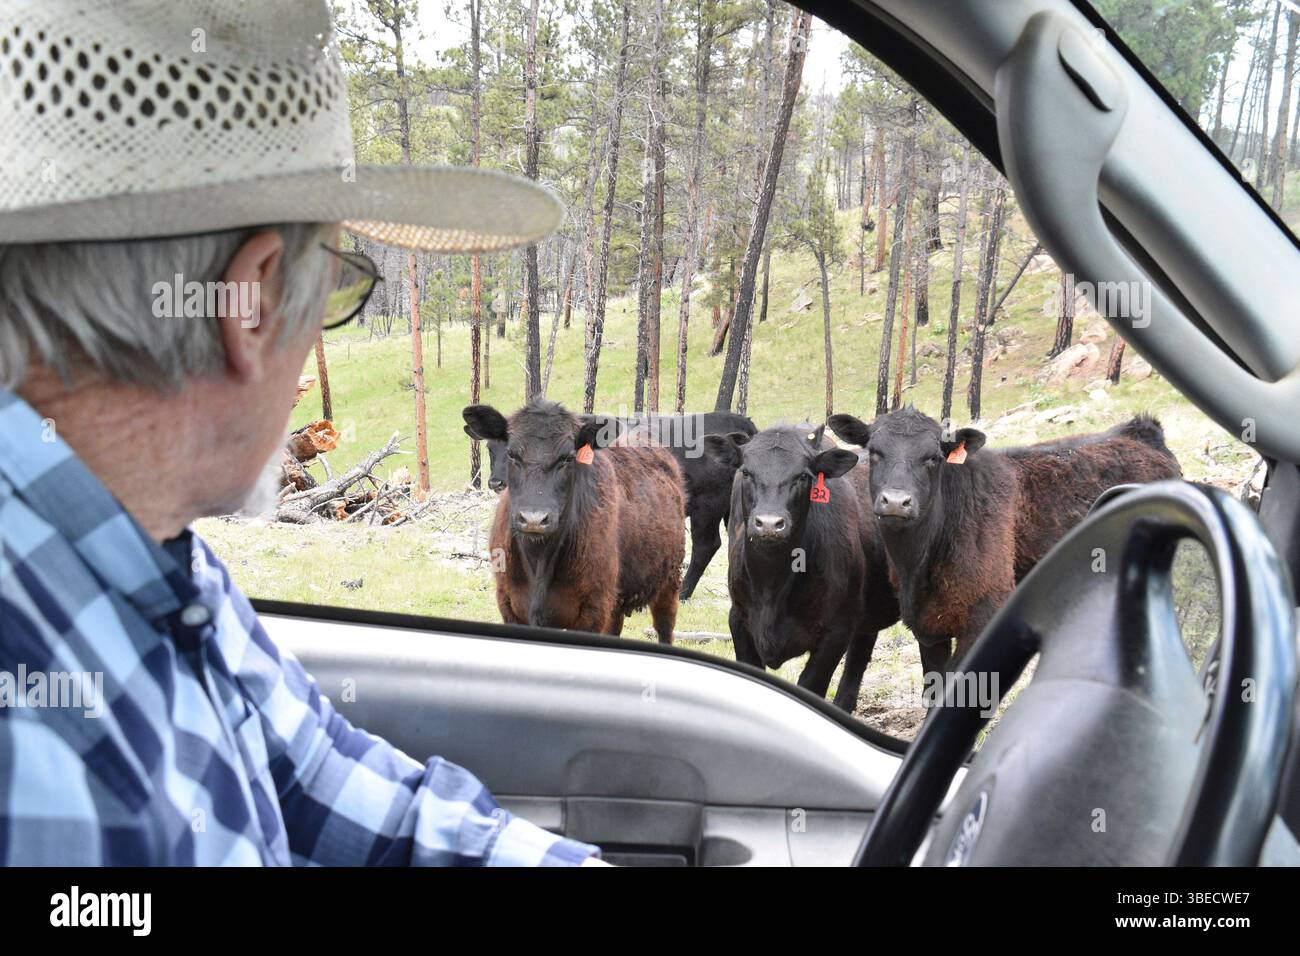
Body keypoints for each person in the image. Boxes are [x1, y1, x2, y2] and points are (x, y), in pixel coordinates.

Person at [0, 0, 603, 866]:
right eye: (340, 285)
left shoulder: (153, 555)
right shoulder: (40, 764)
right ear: (250, 300)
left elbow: (322, 778)